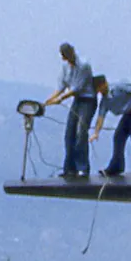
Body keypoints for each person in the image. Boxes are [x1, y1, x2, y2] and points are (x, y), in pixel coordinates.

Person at [43, 43, 96, 179]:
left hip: (88, 100)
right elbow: (61, 86)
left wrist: (60, 99)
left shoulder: (84, 65)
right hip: (77, 100)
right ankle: (69, 168)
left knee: (81, 132)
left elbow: (76, 88)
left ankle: (82, 168)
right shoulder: (65, 67)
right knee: (69, 133)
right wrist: (48, 101)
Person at [89, 75, 131, 176]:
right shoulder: (105, 101)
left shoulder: (118, 87)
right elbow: (101, 118)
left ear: (104, 84)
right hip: (128, 114)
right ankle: (117, 166)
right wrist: (96, 133)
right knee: (118, 137)